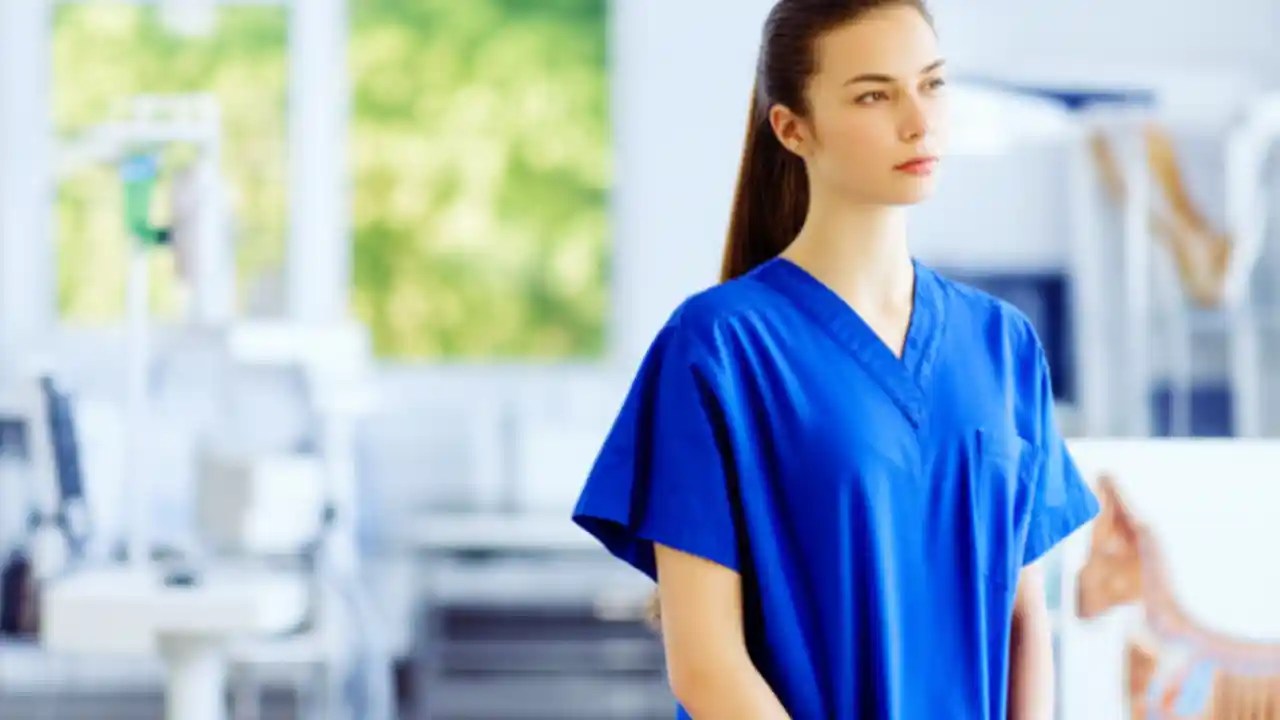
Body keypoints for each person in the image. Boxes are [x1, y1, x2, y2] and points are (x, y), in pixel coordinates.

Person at [571, 1, 1100, 717]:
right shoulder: (718, 347)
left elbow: (1023, 621)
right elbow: (705, 665)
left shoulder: (1002, 345)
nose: (919, 121)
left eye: (933, 84)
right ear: (792, 128)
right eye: (875, 94)